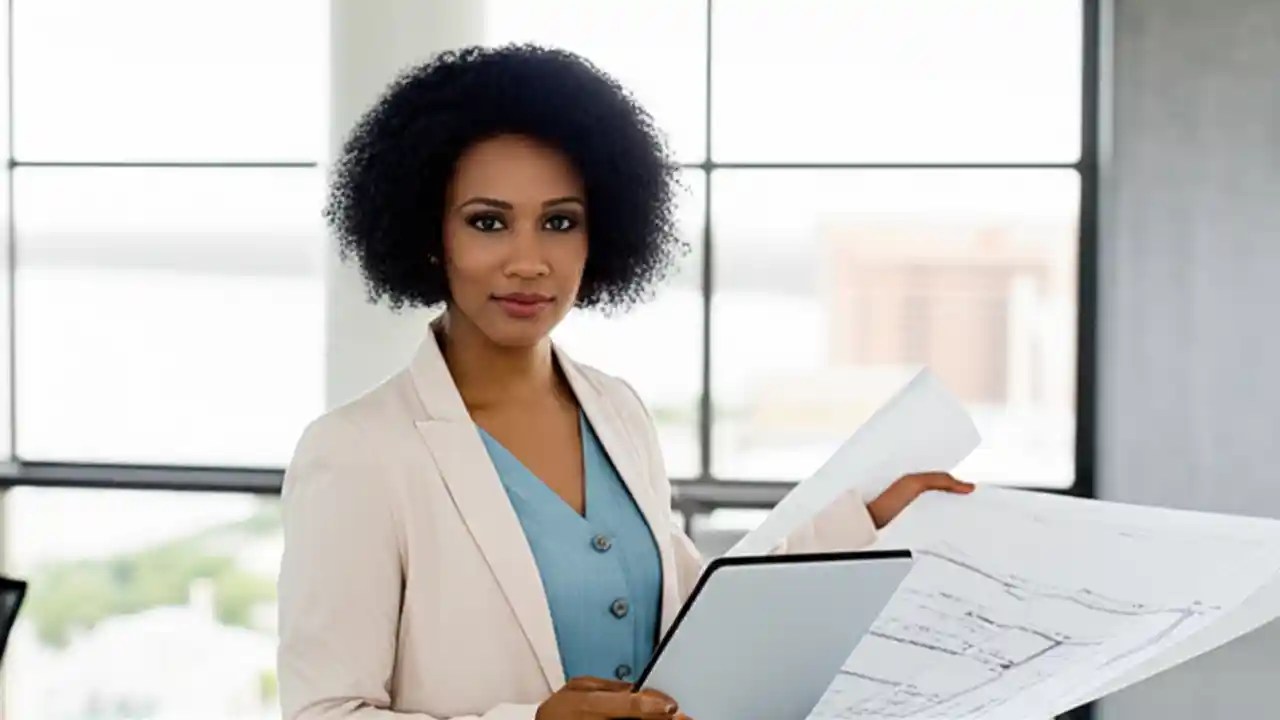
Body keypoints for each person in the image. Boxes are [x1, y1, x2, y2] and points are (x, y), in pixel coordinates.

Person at [277, 44, 974, 720]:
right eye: (488, 222)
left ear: (598, 235)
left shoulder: (616, 410)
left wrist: (868, 519)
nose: (529, 261)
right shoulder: (357, 452)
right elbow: (325, 711)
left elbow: (694, 618)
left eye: (559, 222)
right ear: (432, 238)